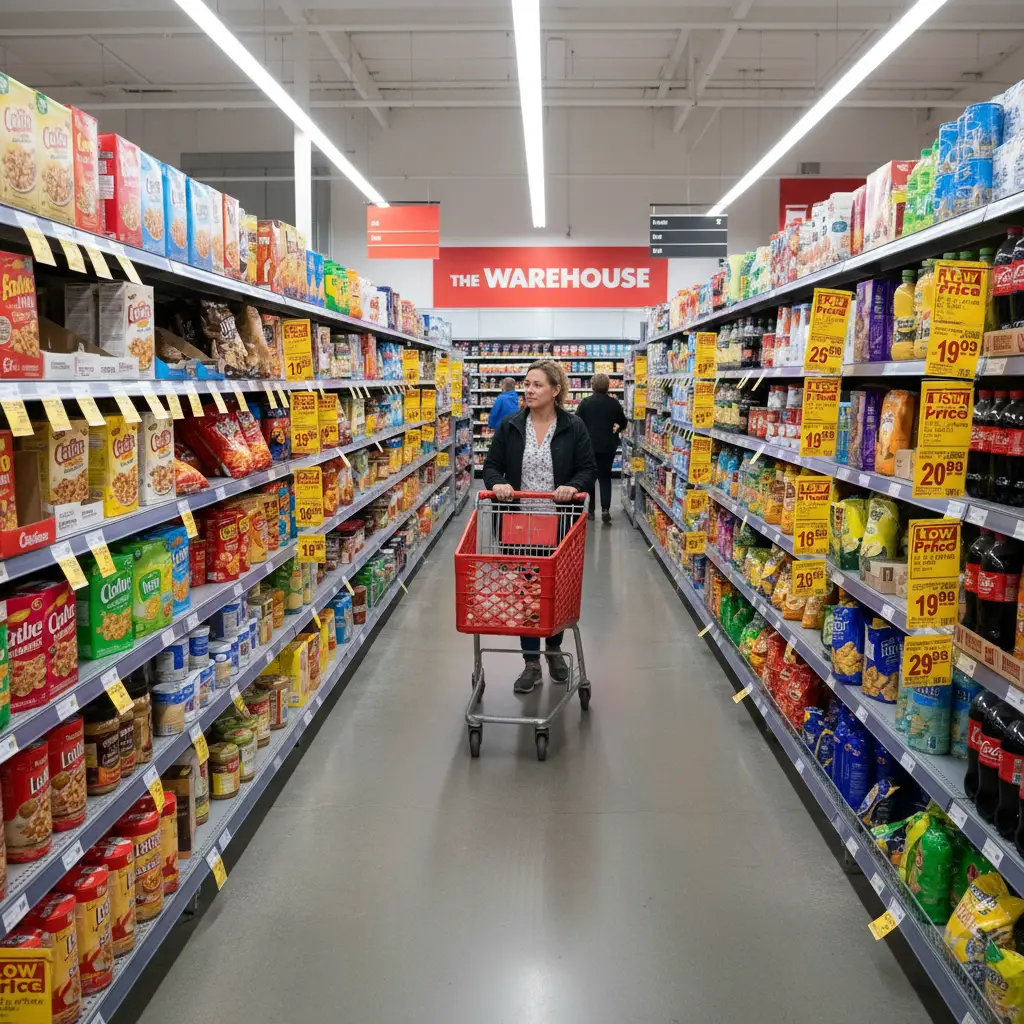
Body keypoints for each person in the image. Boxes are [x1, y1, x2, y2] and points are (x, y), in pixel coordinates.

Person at [483, 359, 597, 695]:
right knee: (526, 592)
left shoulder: (573, 427)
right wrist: (498, 484)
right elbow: (491, 466)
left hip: (559, 524)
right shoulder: (511, 426)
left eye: (537, 385)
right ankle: (531, 662)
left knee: (555, 590)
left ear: (556, 390)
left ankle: (553, 648)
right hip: (519, 524)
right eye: (526, 384)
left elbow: (587, 469)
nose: (529, 390)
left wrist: (572, 486)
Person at [575, 373, 627, 524]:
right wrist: (615, 431)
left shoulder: (585, 403)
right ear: (608, 386)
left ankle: (590, 511)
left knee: (590, 478)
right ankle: (605, 509)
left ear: (592, 386)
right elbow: (623, 422)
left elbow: (577, 421)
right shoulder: (614, 403)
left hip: (588, 447)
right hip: (608, 445)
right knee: (605, 477)